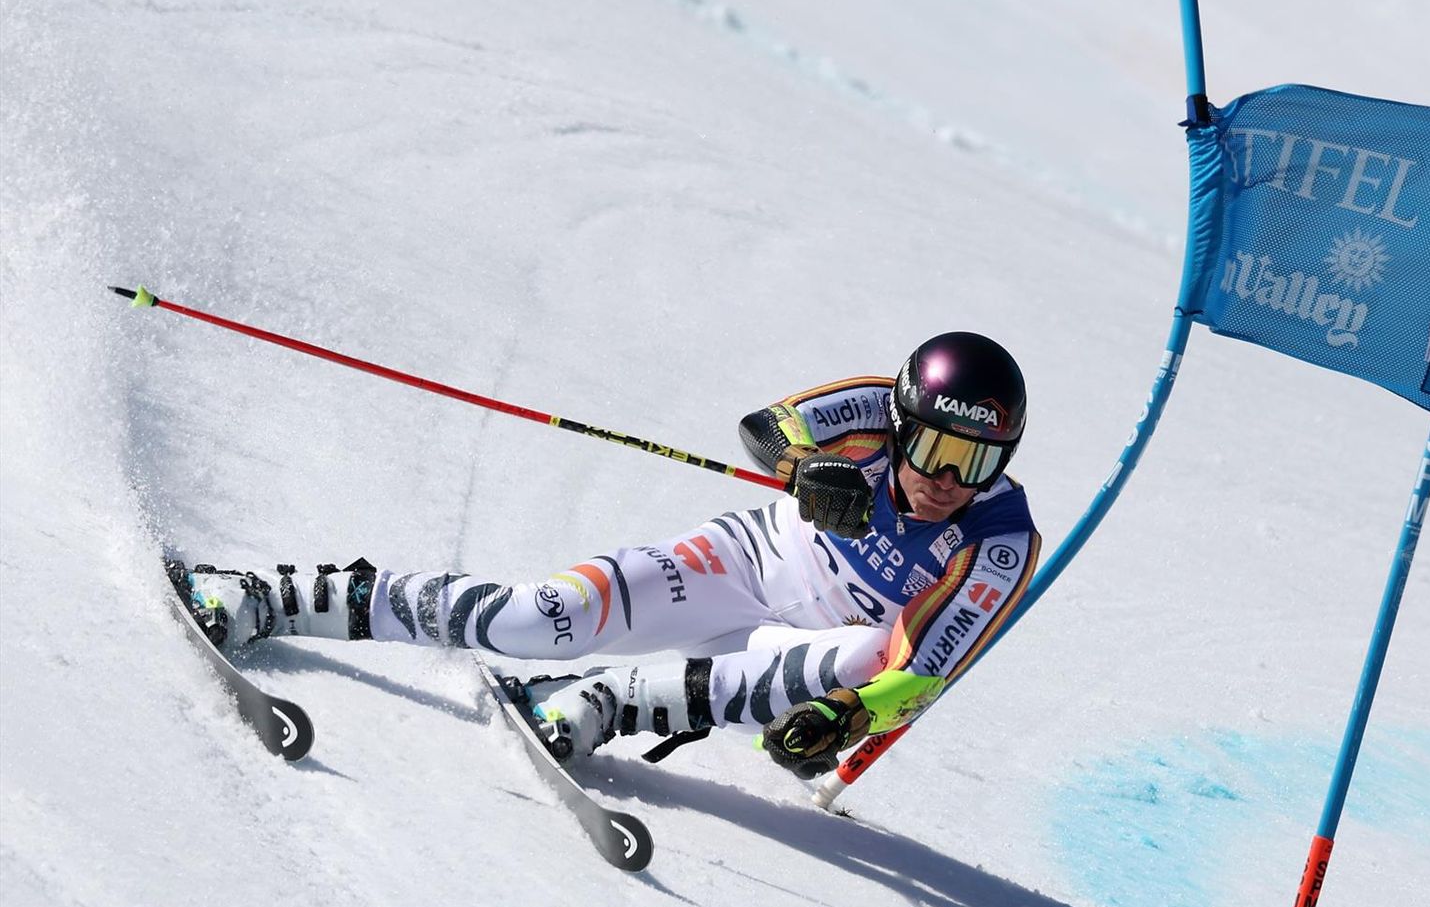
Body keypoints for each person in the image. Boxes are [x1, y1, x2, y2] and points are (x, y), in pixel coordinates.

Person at [177, 332, 1041, 781]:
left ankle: (600, 703)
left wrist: (849, 717)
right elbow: (768, 429)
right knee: (532, 620)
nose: (943, 481)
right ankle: (277, 595)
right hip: (749, 562)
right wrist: (807, 474)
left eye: (975, 465)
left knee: (864, 657)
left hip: (809, 654)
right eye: (931, 452)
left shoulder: (999, 544)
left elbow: (921, 671)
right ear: (902, 421)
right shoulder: (869, 407)